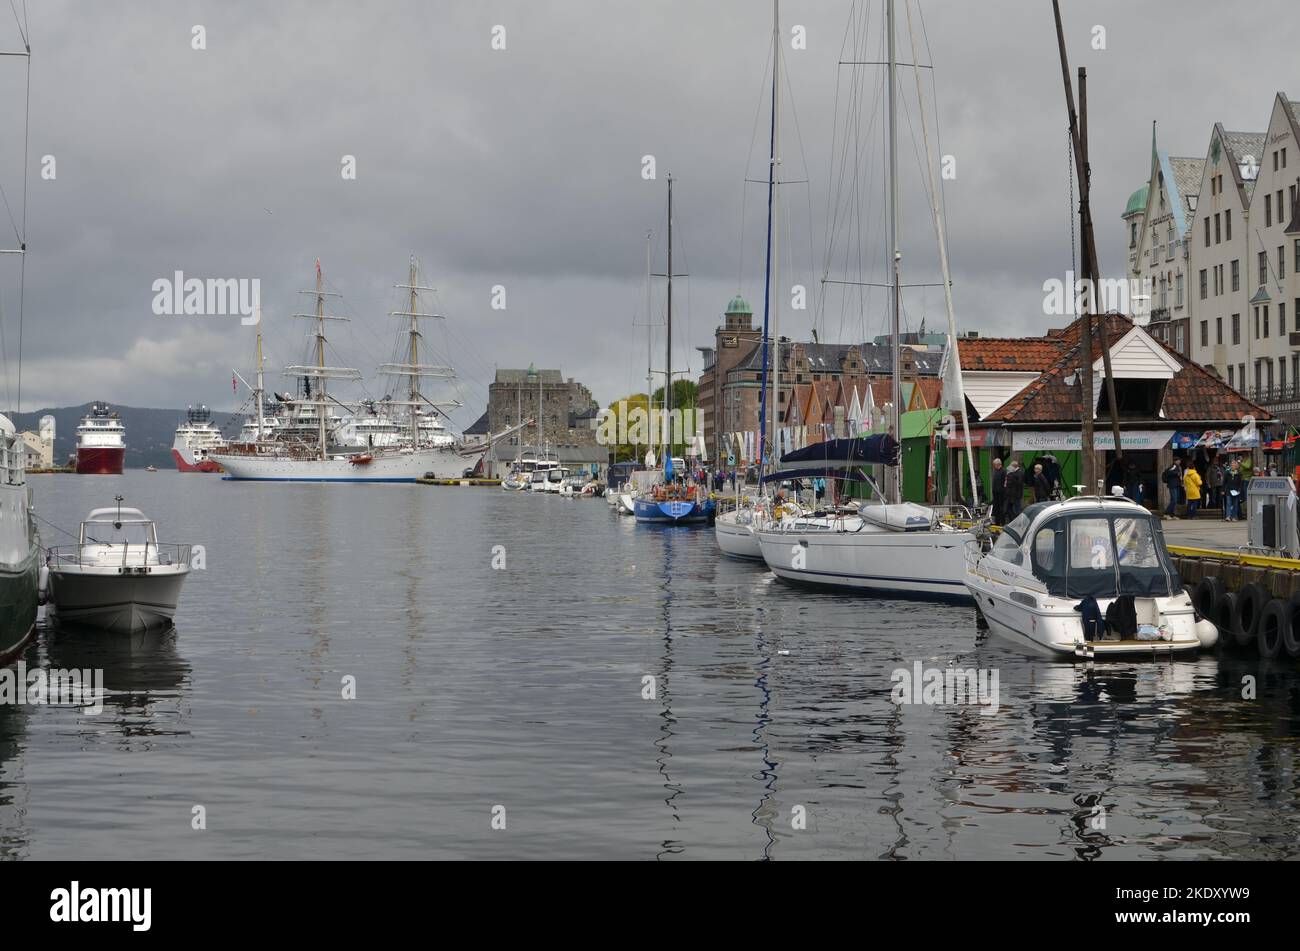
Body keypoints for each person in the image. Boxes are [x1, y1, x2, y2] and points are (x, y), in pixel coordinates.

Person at [990, 456, 1006, 522]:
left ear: (998, 464)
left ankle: (1001, 521)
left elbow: (1004, 482)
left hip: (1001, 493)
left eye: (994, 465)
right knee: (996, 507)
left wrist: (1002, 490)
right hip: (995, 492)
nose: (993, 466)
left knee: (1001, 508)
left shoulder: (1003, 471)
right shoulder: (995, 471)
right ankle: (997, 521)